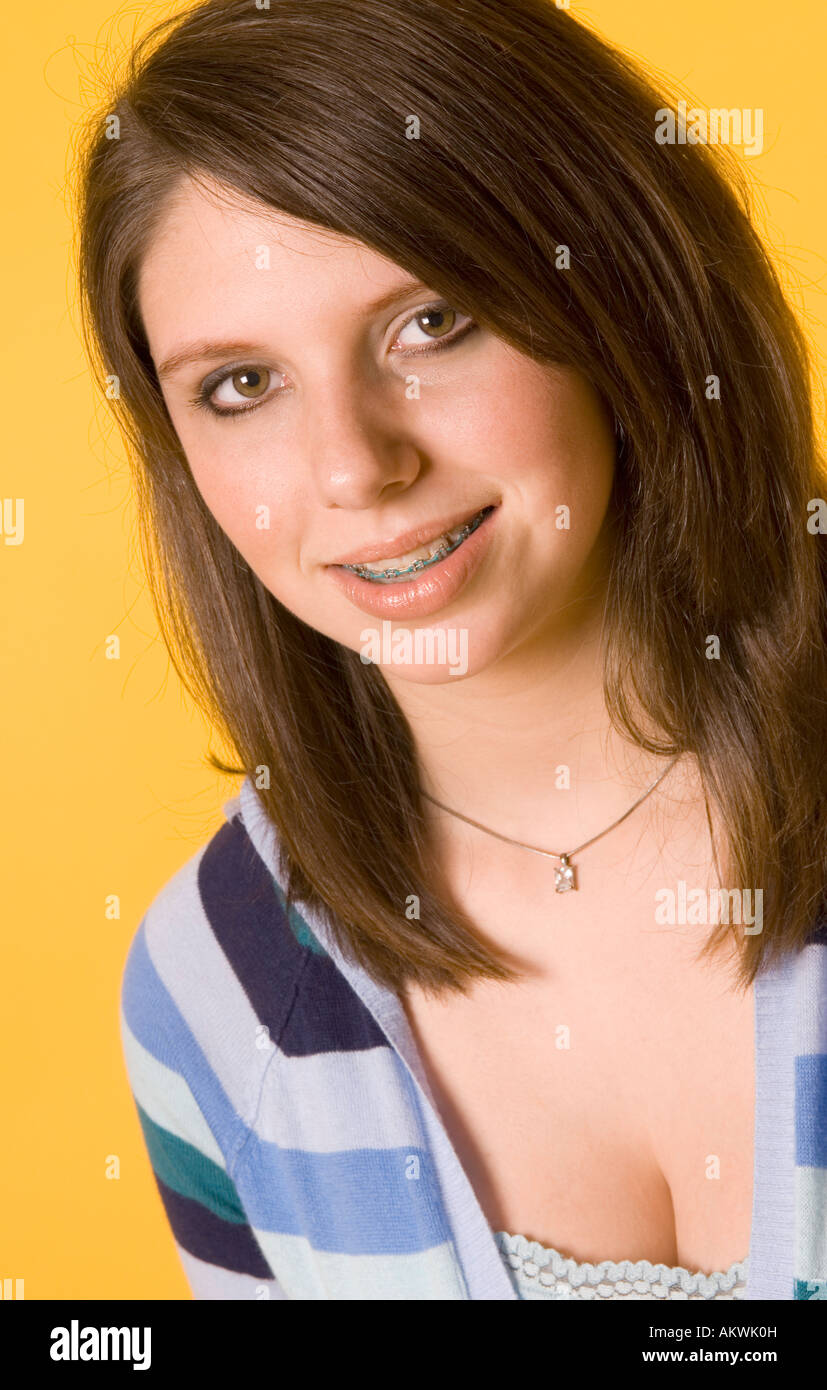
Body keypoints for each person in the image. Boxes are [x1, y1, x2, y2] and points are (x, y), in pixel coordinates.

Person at [74, 0, 827, 1300]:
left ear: (622, 296)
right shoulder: (219, 988)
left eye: (433, 321)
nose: (357, 466)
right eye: (241, 384)